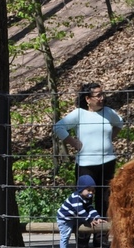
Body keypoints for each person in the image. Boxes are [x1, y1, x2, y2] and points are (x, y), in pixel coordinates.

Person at [52, 82, 123, 227]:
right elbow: (58, 127)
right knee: (84, 199)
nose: (102, 98)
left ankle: (101, 238)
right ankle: (83, 240)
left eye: (102, 94)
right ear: (87, 99)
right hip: (86, 165)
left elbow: (119, 123)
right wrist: (73, 142)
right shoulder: (79, 114)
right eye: (98, 95)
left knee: (105, 199)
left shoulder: (108, 112)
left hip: (108, 162)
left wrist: (109, 139)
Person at [55, 174, 103, 248]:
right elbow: (80, 211)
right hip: (65, 219)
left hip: (75, 217)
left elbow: (90, 208)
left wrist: (96, 217)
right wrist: (89, 219)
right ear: (81, 189)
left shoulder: (87, 198)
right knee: (65, 236)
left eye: (93, 190)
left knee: (82, 229)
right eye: (88, 190)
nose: (91, 193)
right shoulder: (75, 198)